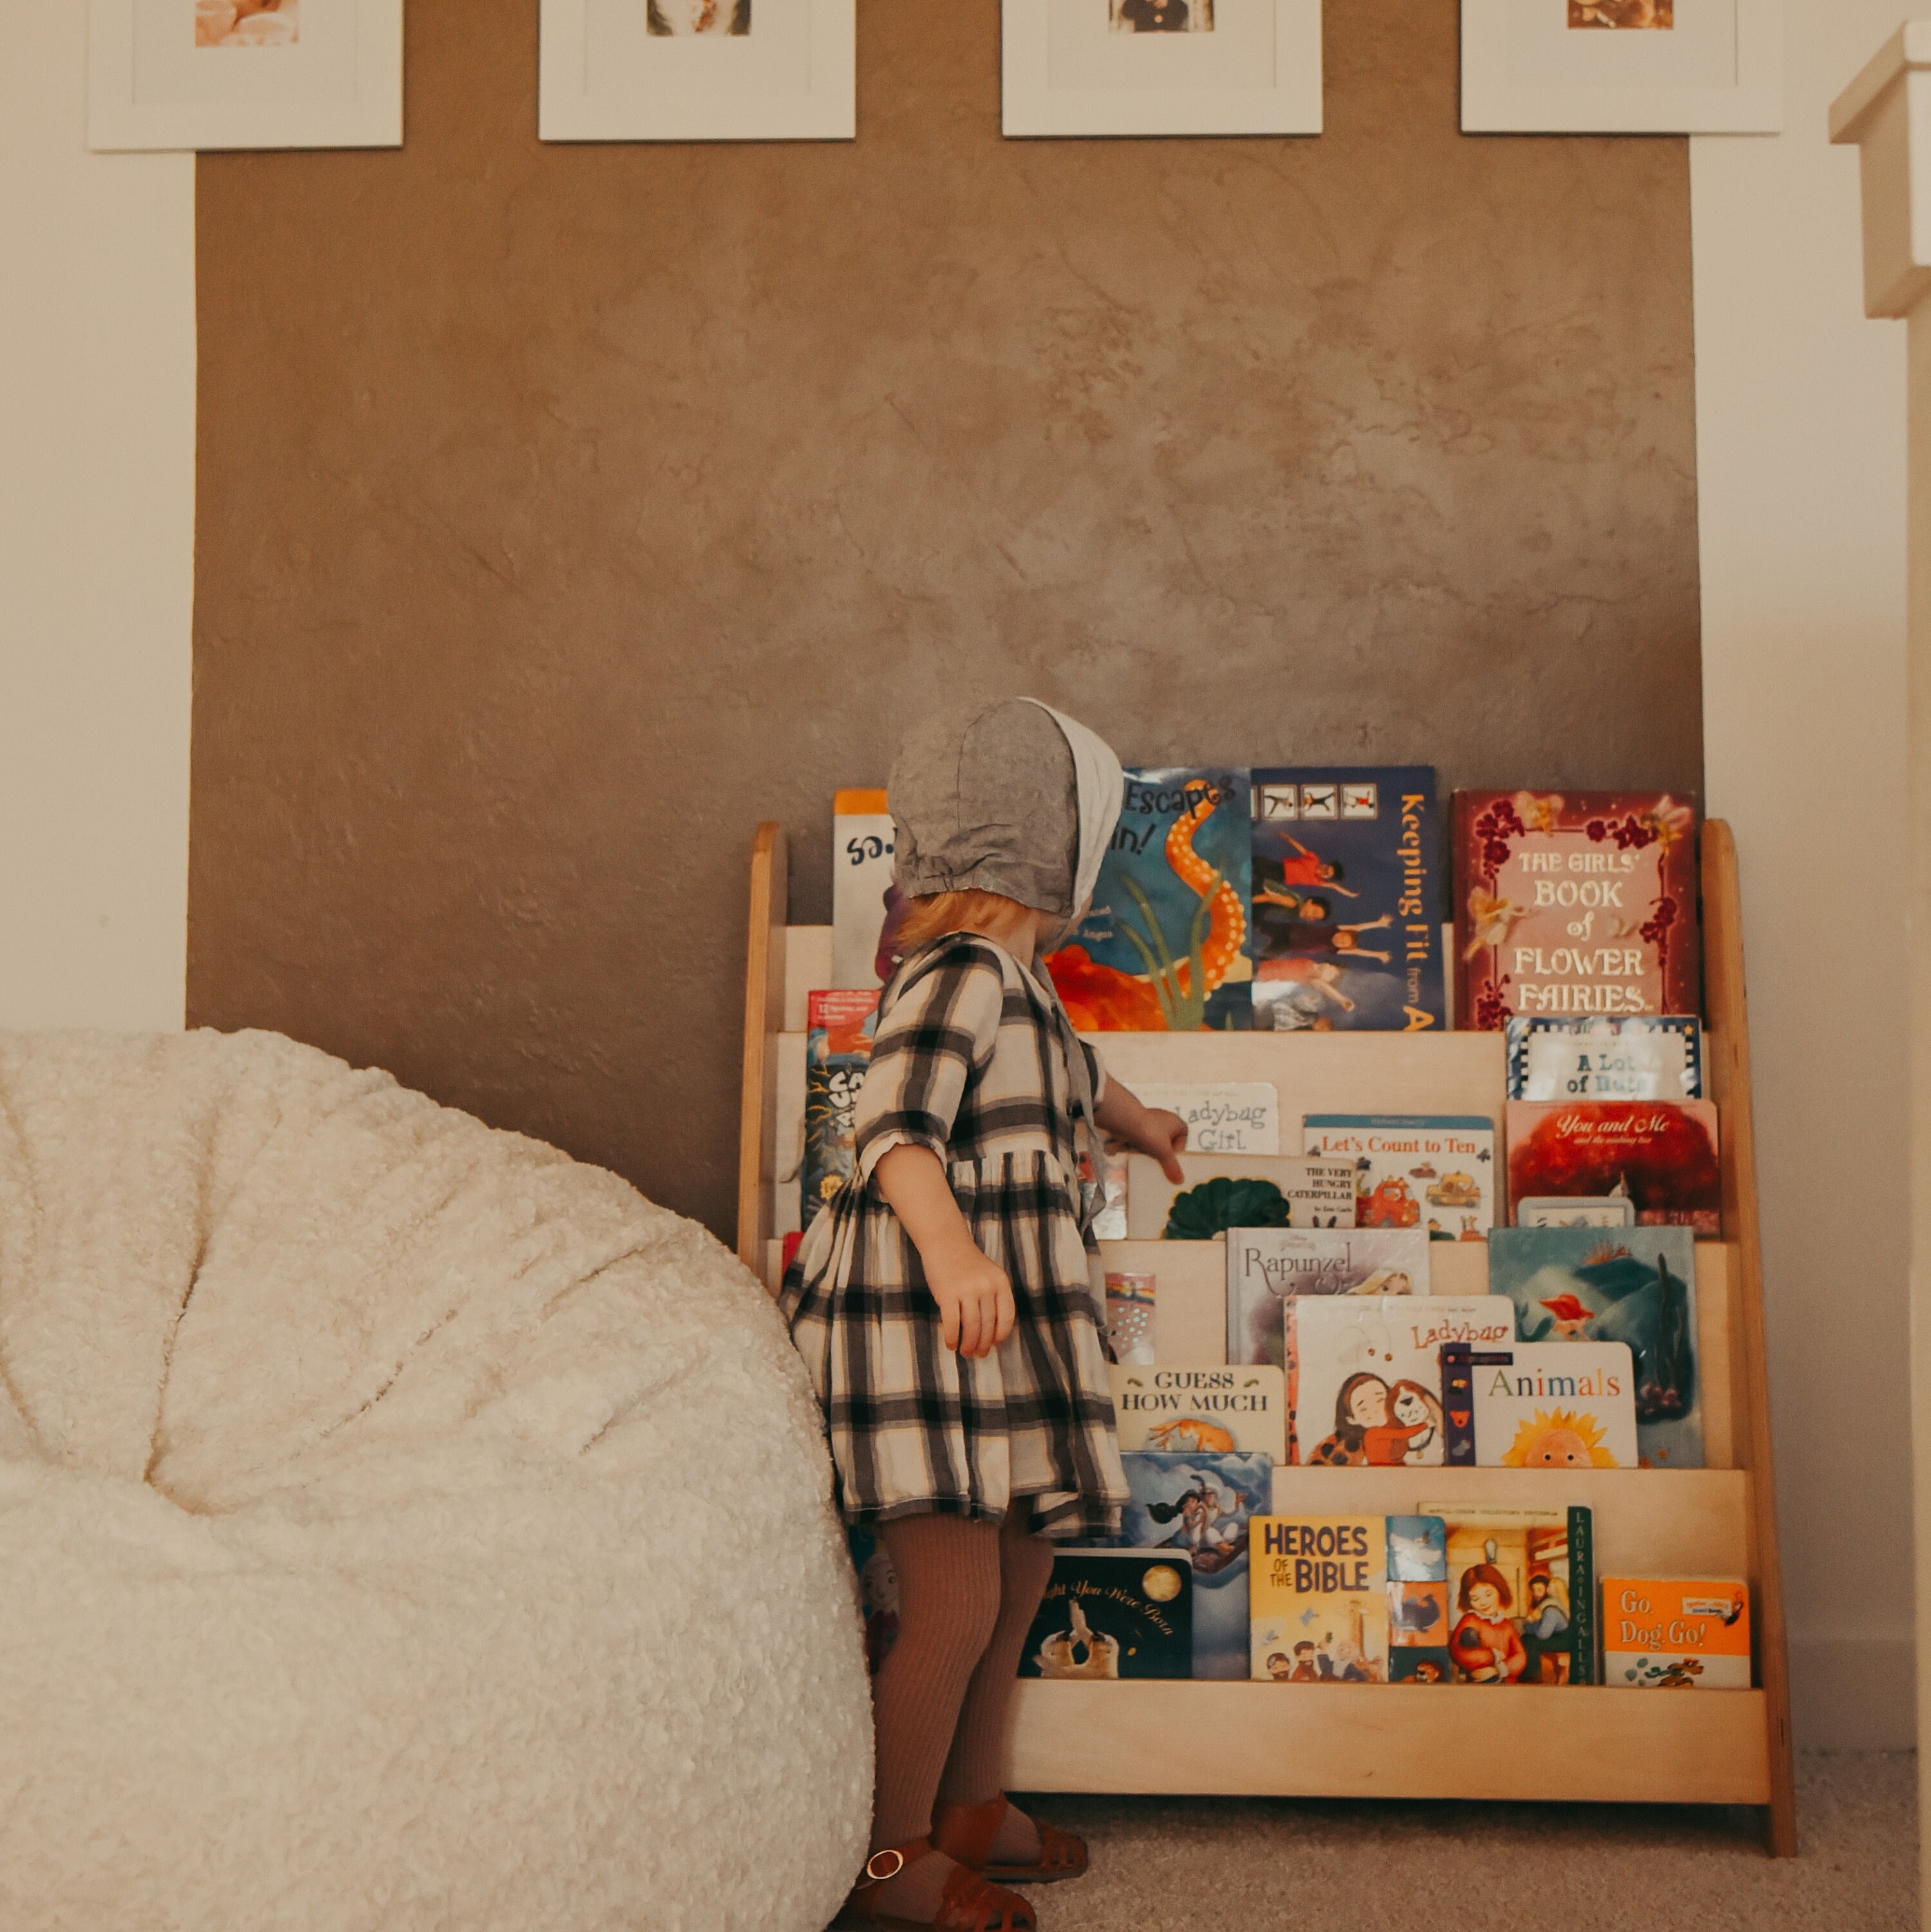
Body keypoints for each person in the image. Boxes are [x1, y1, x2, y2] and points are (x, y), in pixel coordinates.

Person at [784, 699, 1189, 1932]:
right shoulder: (951, 976)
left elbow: (1077, 1073)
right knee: (952, 1597)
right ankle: (889, 1855)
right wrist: (955, 1252)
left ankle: (970, 1808)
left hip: (1002, 1328)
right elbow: (893, 1125)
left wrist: (1142, 1124)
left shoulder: (1026, 989)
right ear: (1048, 851)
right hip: (924, 1316)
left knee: (1020, 1576)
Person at [1451, 1565, 1527, 1684]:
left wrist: (1498, 1670)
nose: (1483, 1603)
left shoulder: (1506, 1625)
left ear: (1500, 1591)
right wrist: (1492, 1656)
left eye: (1488, 1595)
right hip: (1479, 1685)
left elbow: (1520, 1656)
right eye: (1475, 1599)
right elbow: (1458, 1652)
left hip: (1507, 1685)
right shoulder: (1470, 1621)